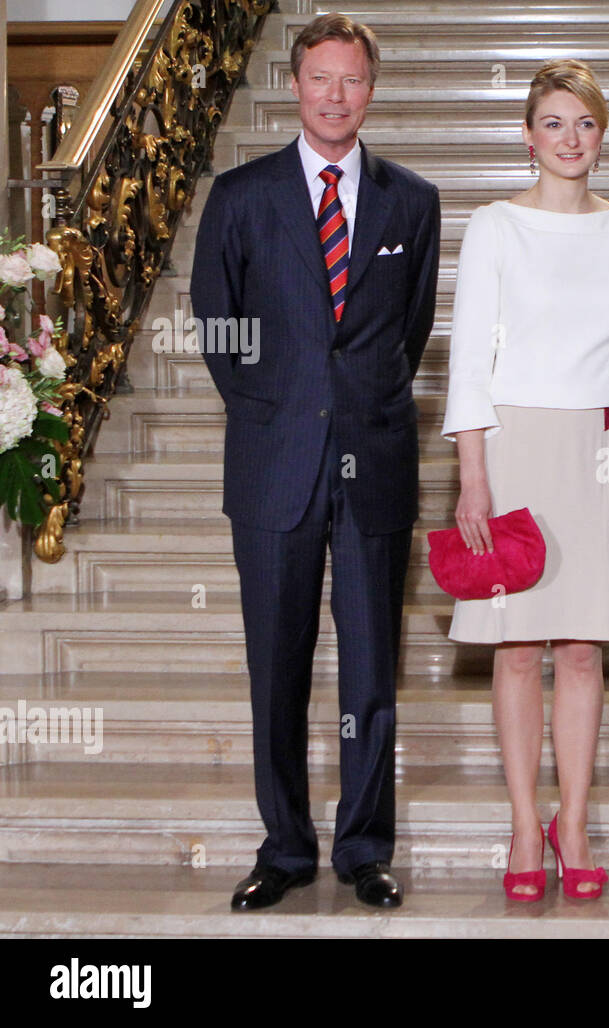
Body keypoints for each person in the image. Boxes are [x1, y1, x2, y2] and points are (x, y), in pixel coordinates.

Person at [191, 13, 440, 910]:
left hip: (373, 462)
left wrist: (357, 404)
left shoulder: (412, 200)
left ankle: (365, 848)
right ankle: (284, 848)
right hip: (273, 465)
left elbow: (404, 334)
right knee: (278, 668)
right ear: (296, 86)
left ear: (372, 90)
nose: (337, 96)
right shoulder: (241, 195)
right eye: (321, 79)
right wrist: (276, 410)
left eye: (353, 80)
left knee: (372, 670)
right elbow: (219, 328)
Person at [441, 59, 609, 902]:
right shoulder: (493, 226)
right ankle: (523, 824)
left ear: (603, 133)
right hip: (510, 448)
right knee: (516, 651)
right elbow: (469, 361)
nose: (570, 139)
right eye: (553, 122)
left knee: (582, 648)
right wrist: (472, 477)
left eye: (584, 123)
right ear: (527, 134)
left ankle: (573, 822)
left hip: (598, 444)